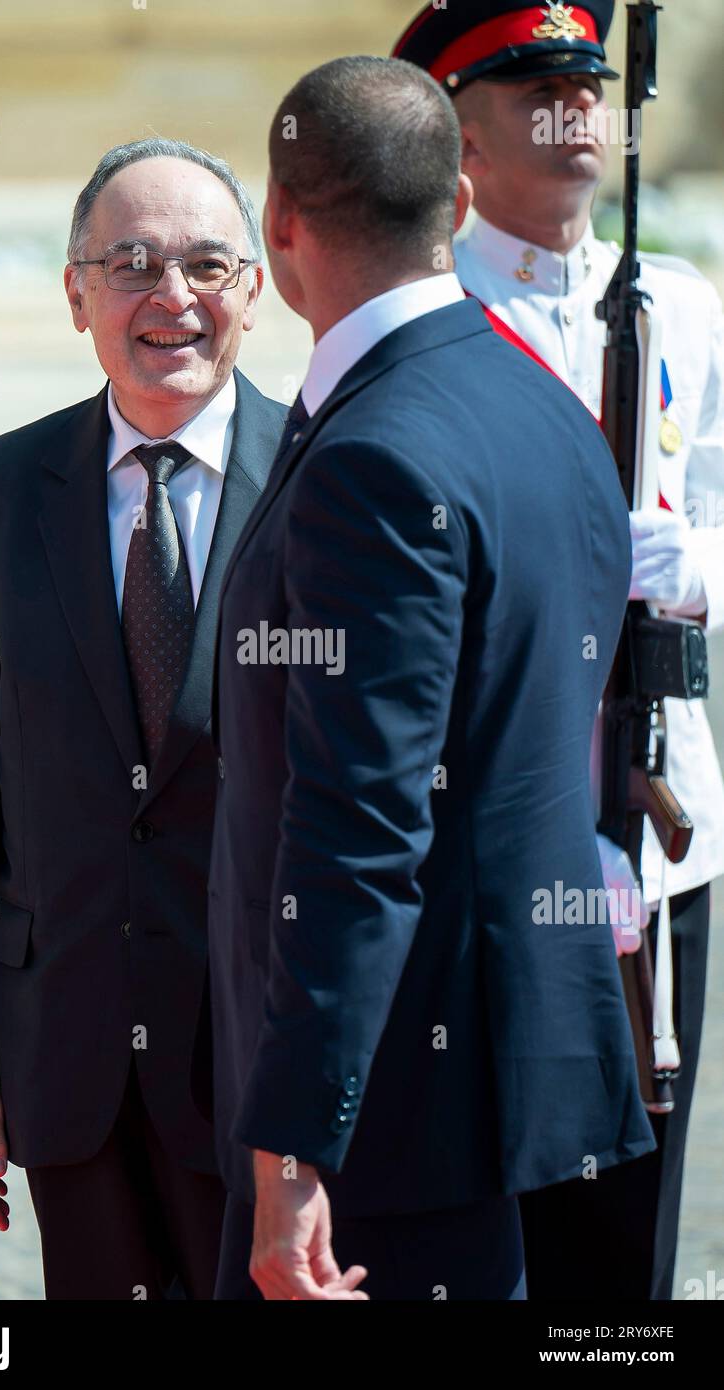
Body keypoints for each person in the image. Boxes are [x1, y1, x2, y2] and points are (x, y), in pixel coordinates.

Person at [205, 54, 654, 1302]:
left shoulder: (372, 459)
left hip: (397, 1118)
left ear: (281, 224)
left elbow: (359, 826)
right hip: (529, 1071)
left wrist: (295, 1143)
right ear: (458, 203)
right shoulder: (544, 403)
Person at [0, 138, 286, 1300]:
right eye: (131, 262)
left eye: (206, 265)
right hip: (66, 1060)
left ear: (254, 292)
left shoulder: (327, 478)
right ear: (76, 294)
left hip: (267, 1068)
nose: (172, 297)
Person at [394, 0, 724, 1301]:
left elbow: (712, 512)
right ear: (462, 135)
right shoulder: (427, 310)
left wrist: (680, 564)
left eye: (586, 84)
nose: (575, 110)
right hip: (489, 825)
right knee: (494, 1216)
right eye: (536, 89)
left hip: (659, 813)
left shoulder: (679, 307)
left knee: (628, 1235)